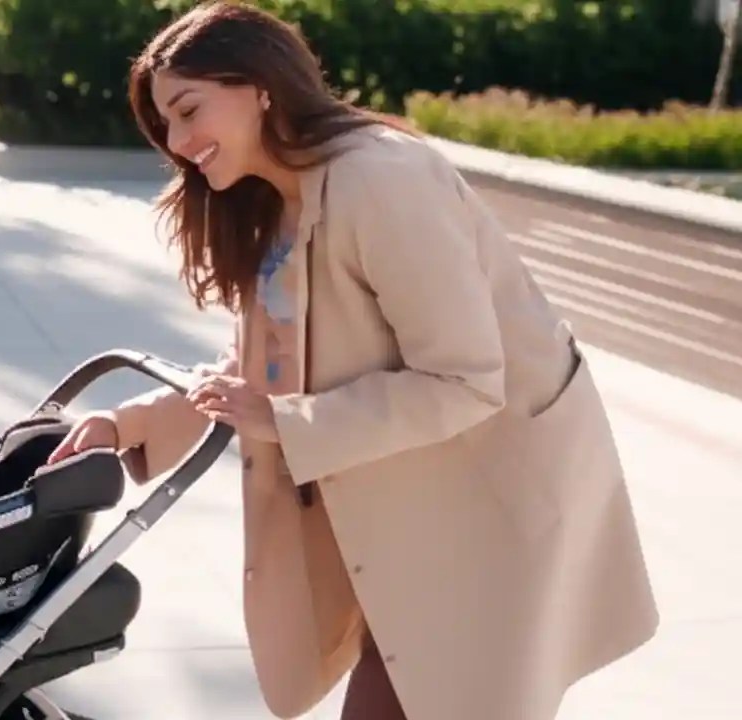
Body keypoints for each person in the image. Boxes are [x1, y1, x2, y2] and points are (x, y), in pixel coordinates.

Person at [44, 3, 659, 720]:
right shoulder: (283, 204)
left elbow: (463, 380)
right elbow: (260, 367)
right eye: (165, 126)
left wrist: (284, 422)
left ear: (260, 86)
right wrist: (131, 424)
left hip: (491, 515)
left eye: (188, 111)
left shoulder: (382, 181)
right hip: (415, 518)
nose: (178, 143)